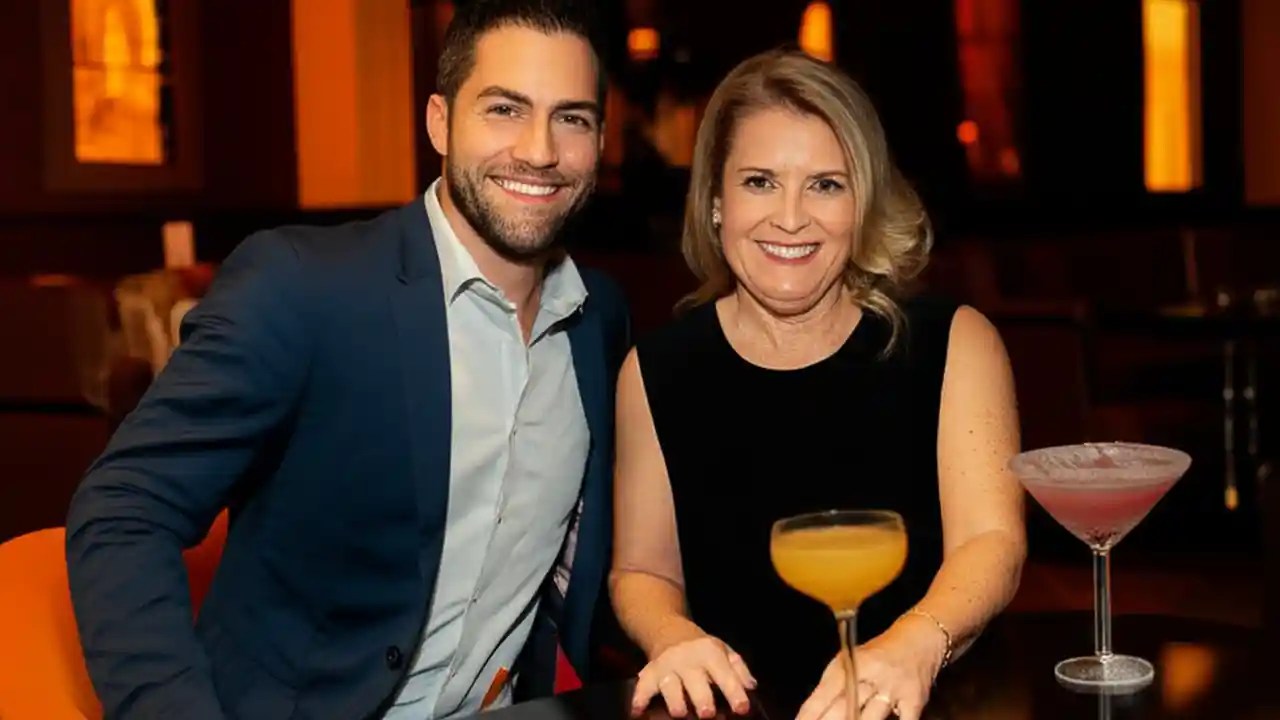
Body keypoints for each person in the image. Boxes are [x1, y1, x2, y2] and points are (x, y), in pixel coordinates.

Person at [64, 1, 630, 718]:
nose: (540, 150)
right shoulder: (303, 289)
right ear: (439, 122)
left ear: (600, 140)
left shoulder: (597, 319)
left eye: (571, 118)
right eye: (504, 109)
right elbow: (123, 510)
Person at [610, 49, 1026, 720]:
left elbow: (993, 542)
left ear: (863, 204)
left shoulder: (954, 342)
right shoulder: (656, 370)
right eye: (759, 182)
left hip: (926, 703)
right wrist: (673, 637)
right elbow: (642, 571)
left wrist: (917, 643)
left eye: (826, 185)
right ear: (715, 201)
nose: (791, 217)